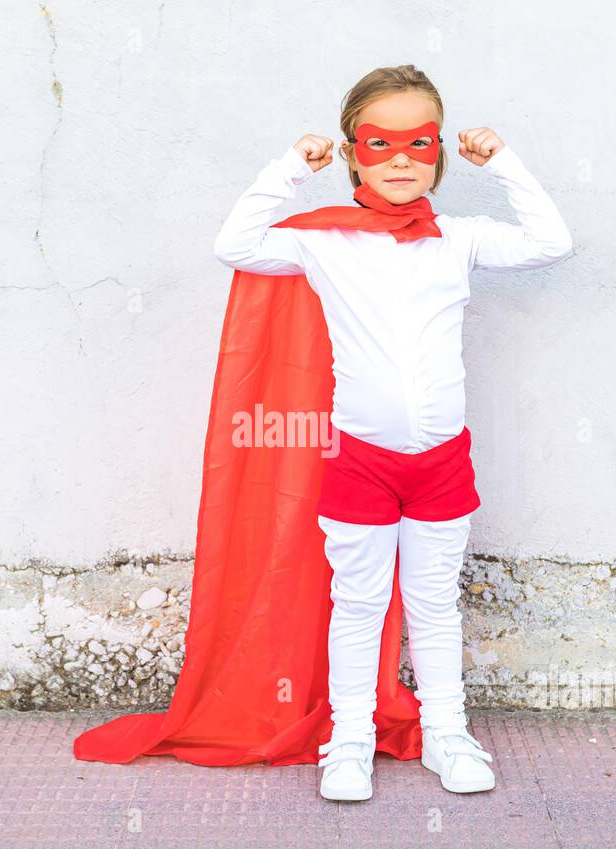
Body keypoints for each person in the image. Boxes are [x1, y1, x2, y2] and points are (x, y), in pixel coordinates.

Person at [71, 64, 572, 803]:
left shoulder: (459, 239)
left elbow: (549, 241)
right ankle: (349, 741)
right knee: (360, 603)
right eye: (379, 143)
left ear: (437, 151)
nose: (400, 159)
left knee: (433, 602)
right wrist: (285, 173)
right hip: (361, 464)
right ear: (351, 153)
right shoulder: (327, 243)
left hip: (440, 464)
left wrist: (503, 164)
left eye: (418, 142)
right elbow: (235, 245)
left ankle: (447, 734)